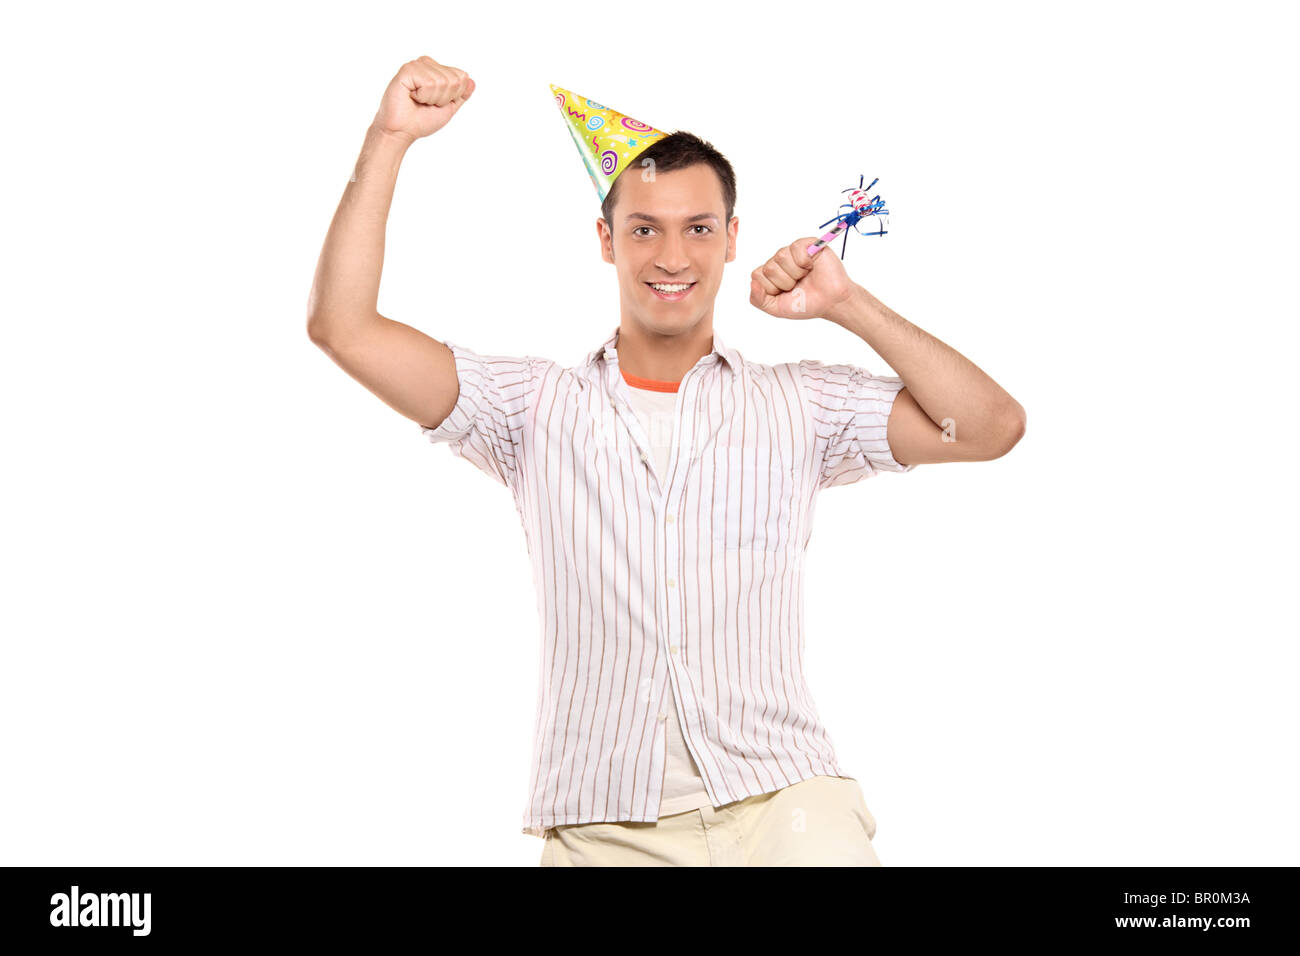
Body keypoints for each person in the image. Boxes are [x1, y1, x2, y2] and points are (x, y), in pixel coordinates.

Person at [307, 56, 1026, 867]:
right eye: (645, 228)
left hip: (784, 803)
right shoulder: (531, 409)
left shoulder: (801, 405)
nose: (672, 255)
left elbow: (992, 425)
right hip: (602, 824)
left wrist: (846, 305)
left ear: (730, 241)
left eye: (698, 228)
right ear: (607, 241)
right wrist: (389, 138)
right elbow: (344, 328)